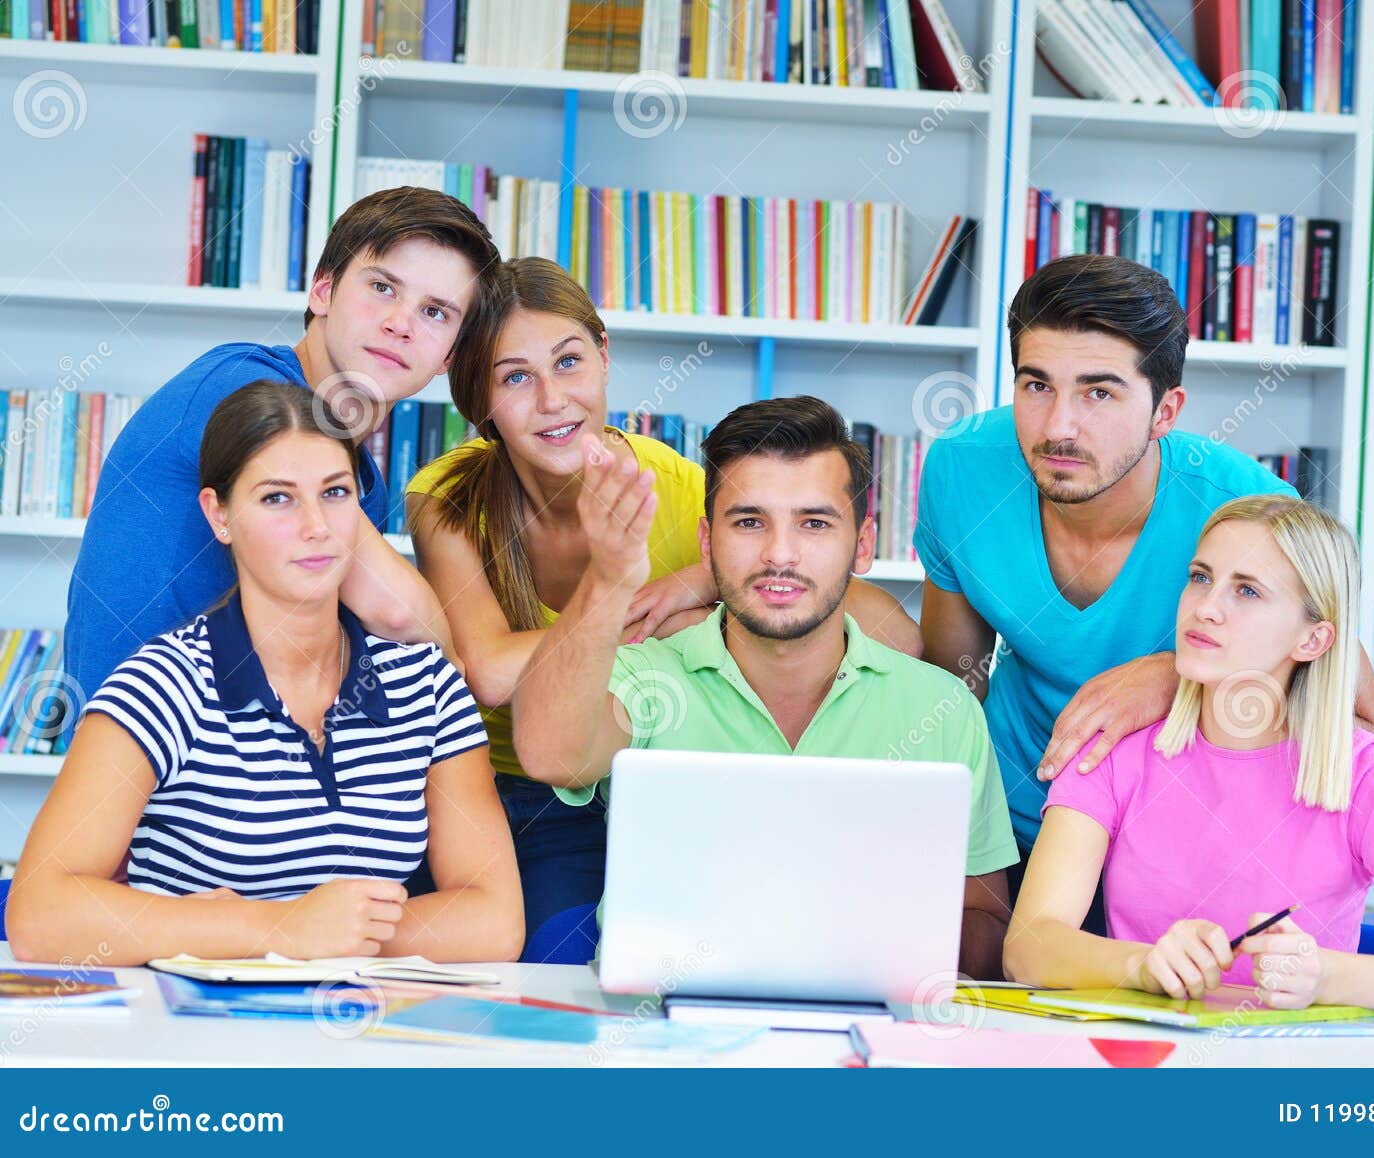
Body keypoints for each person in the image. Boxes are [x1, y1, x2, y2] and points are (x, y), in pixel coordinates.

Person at [404, 258, 921, 958]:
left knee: (572, 957)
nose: (553, 399)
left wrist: (703, 579)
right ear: (479, 400)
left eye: (569, 362)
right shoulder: (447, 497)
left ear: (605, 358)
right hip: (473, 789)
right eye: (515, 377)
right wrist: (642, 607)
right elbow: (490, 673)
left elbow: (898, 637)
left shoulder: (677, 490)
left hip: (611, 790)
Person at [7, 383, 522, 967]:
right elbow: (38, 914)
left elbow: (494, 918)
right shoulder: (161, 685)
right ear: (219, 514)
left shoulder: (427, 686)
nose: (316, 526)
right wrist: (281, 928)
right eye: (278, 498)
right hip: (189, 1040)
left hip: (359, 1034)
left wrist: (334, 937)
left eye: (335, 493)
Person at [508, 396, 1019, 978]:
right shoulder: (648, 677)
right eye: (749, 521)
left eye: (815, 522)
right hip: (658, 1037)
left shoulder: (942, 708)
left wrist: (874, 951)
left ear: (865, 544)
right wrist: (608, 578)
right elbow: (550, 752)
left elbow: (984, 916)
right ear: (706, 542)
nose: (779, 553)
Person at [915, 254, 1374, 877]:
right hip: (1013, 820)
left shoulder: (1248, 511)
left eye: (1099, 393)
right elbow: (953, 691)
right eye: (1036, 386)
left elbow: (1354, 721)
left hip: (1183, 843)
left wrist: (1176, 677)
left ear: (1165, 411)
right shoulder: (961, 468)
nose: (1059, 426)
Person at [1003, 496, 1374, 1020]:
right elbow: (1027, 948)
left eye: (1248, 591)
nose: (1205, 607)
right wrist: (1141, 964)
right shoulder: (1116, 752)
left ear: (1313, 639)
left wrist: (1327, 975)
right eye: (1201, 577)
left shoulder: (1362, 777)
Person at [64, 185, 504, 708]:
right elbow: (396, 613)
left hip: (244, 752)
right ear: (322, 290)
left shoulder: (363, 486)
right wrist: (455, 670)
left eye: (436, 313)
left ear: (450, 356)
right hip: (141, 757)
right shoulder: (243, 388)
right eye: (383, 287)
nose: (400, 324)